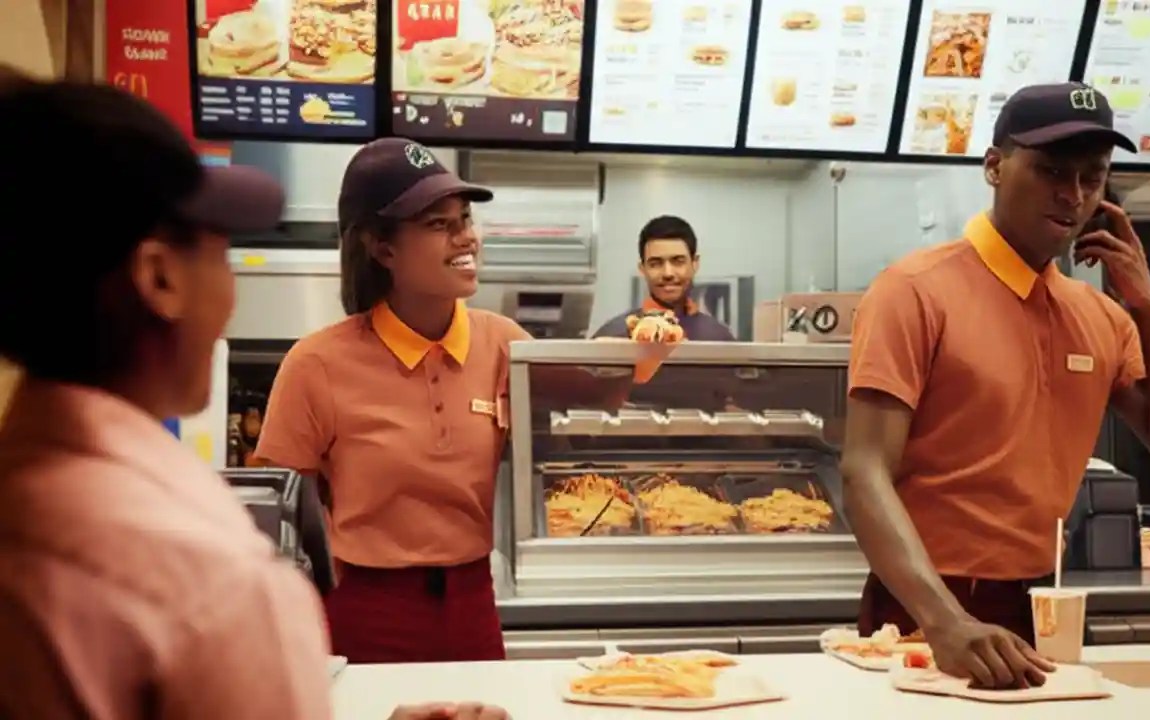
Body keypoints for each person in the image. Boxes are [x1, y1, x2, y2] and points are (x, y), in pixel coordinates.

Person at [0, 76, 507, 720]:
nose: (230, 294)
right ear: (160, 278)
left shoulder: (22, 495)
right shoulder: (206, 569)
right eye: (223, 253)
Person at [840, 83, 1150, 690]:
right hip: (925, 608)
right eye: (1050, 171)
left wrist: (1148, 308)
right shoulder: (913, 290)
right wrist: (946, 621)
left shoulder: (1104, 317)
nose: (1073, 196)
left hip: (1047, 606)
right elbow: (862, 473)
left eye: (1092, 178)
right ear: (994, 166)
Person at [254, 138, 661, 665]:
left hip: (472, 605)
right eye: (437, 224)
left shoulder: (500, 343)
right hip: (366, 612)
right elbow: (277, 517)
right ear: (382, 247)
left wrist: (644, 347)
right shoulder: (317, 363)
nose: (465, 236)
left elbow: (597, 385)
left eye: (465, 218)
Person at [593, 215, 735, 341]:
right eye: (655, 263)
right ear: (643, 269)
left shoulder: (719, 338)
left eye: (678, 261)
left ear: (695, 263)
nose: (668, 273)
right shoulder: (613, 336)